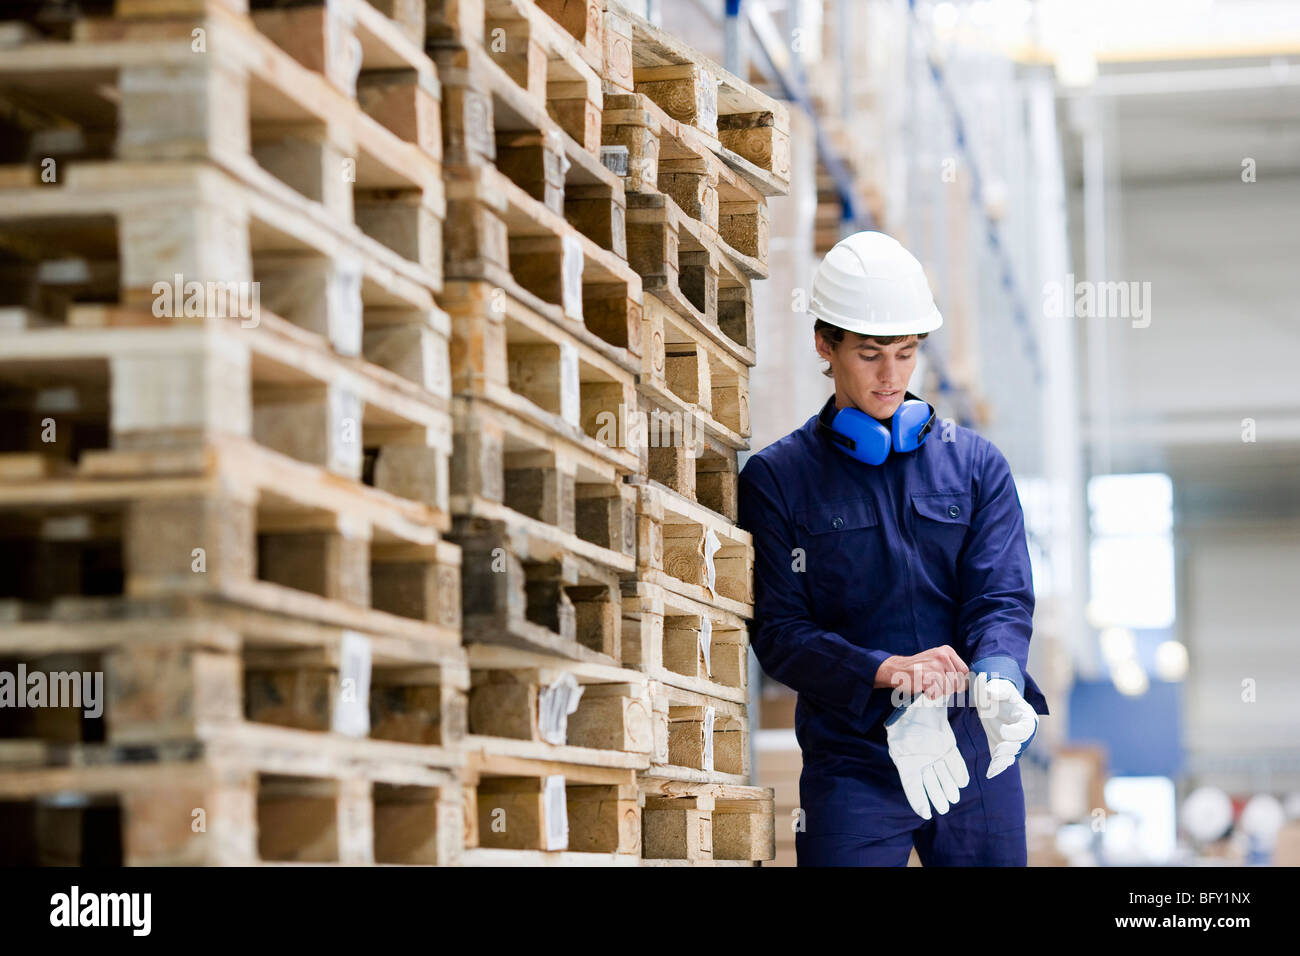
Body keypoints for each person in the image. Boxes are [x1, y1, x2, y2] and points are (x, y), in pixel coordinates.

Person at [737, 231, 1049, 866]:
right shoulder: (779, 479)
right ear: (825, 345)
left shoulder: (976, 466)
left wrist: (997, 675)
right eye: (871, 354)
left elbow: (1001, 596)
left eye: (906, 355)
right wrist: (886, 673)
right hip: (853, 757)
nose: (890, 377)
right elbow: (781, 633)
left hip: (972, 746)